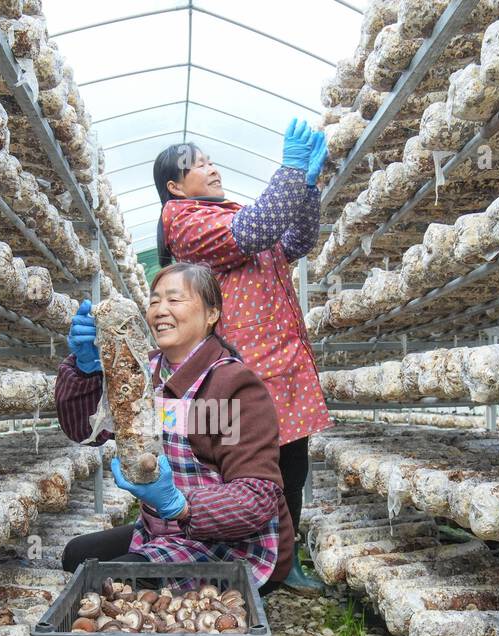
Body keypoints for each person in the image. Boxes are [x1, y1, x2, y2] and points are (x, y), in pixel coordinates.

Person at [153, 119, 332, 592]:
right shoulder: (185, 221)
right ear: (175, 186)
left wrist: (307, 189)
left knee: (292, 463)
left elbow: (294, 242)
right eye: (198, 165)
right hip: (246, 365)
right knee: (249, 471)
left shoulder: (232, 211)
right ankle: (242, 555)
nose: (212, 168)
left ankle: (283, 560)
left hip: (282, 357)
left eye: (212, 160)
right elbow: (255, 231)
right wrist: (290, 171)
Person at [55, 262, 293, 594]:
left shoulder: (233, 384)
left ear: (212, 314)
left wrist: (179, 503)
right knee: (76, 557)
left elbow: (257, 498)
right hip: (163, 529)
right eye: (154, 301)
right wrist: (85, 372)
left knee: (113, 586)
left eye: (174, 300)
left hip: (231, 542)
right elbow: (85, 431)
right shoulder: (144, 369)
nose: (160, 310)